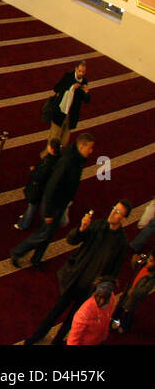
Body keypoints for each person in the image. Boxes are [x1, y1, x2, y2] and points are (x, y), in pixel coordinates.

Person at [24, 200, 132, 345]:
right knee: (55, 311)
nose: (113, 212)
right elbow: (72, 240)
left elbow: (113, 272)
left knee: (73, 319)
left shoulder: (121, 243)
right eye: (114, 208)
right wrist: (81, 229)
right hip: (75, 278)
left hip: (91, 289)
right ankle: (37, 336)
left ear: (123, 219)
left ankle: (57, 341)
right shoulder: (99, 225)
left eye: (118, 212)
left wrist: (101, 292)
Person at [13, 133, 95, 269]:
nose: (91, 151)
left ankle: (36, 259)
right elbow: (51, 187)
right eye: (90, 148)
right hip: (54, 205)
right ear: (82, 146)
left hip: (61, 203)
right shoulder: (68, 161)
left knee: (48, 235)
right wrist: (48, 212)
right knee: (43, 234)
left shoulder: (76, 158)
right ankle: (17, 252)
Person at [14, 138, 61, 231]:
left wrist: (33, 171)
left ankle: (23, 224)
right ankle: (26, 218)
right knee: (33, 206)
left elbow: (40, 177)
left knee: (32, 206)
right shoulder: (57, 159)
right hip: (44, 188)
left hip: (39, 188)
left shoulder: (49, 162)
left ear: (51, 149)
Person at [46, 61, 91, 153]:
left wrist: (86, 93)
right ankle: (46, 159)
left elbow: (86, 101)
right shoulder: (68, 77)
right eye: (79, 71)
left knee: (64, 142)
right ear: (75, 69)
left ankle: (56, 162)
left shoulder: (84, 82)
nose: (81, 73)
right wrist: (70, 88)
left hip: (71, 116)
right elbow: (57, 88)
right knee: (53, 141)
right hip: (60, 113)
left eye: (83, 72)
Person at [66, 279, 121, 345]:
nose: (102, 302)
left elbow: (107, 319)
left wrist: (104, 336)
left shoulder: (111, 299)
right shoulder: (84, 312)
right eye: (100, 297)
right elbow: (73, 339)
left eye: (105, 298)